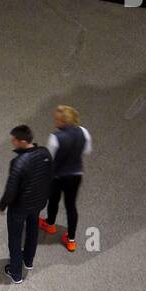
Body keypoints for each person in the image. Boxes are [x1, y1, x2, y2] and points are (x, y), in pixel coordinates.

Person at [0, 125, 53, 283]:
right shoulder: (44, 152)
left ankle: (16, 273)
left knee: (15, 238)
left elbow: (11, 189)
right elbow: (50, 176)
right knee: (32, 230)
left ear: (22, 141)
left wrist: (3, 205)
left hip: (19, 207)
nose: (12, 142)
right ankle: (28, 260)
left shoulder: (18, 162)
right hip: (37, 203)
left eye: (14, 140)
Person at [39, 105, 93, 252]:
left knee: (54, 200)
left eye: (57, 119)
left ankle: (50, 224)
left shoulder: (55, 138)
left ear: (64, 121)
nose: (55, 121)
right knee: (71, 205)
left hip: (57, 176)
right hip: (75, 175)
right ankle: (71, 240)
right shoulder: (84, 132)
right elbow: (87, 150)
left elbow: (49, 158)